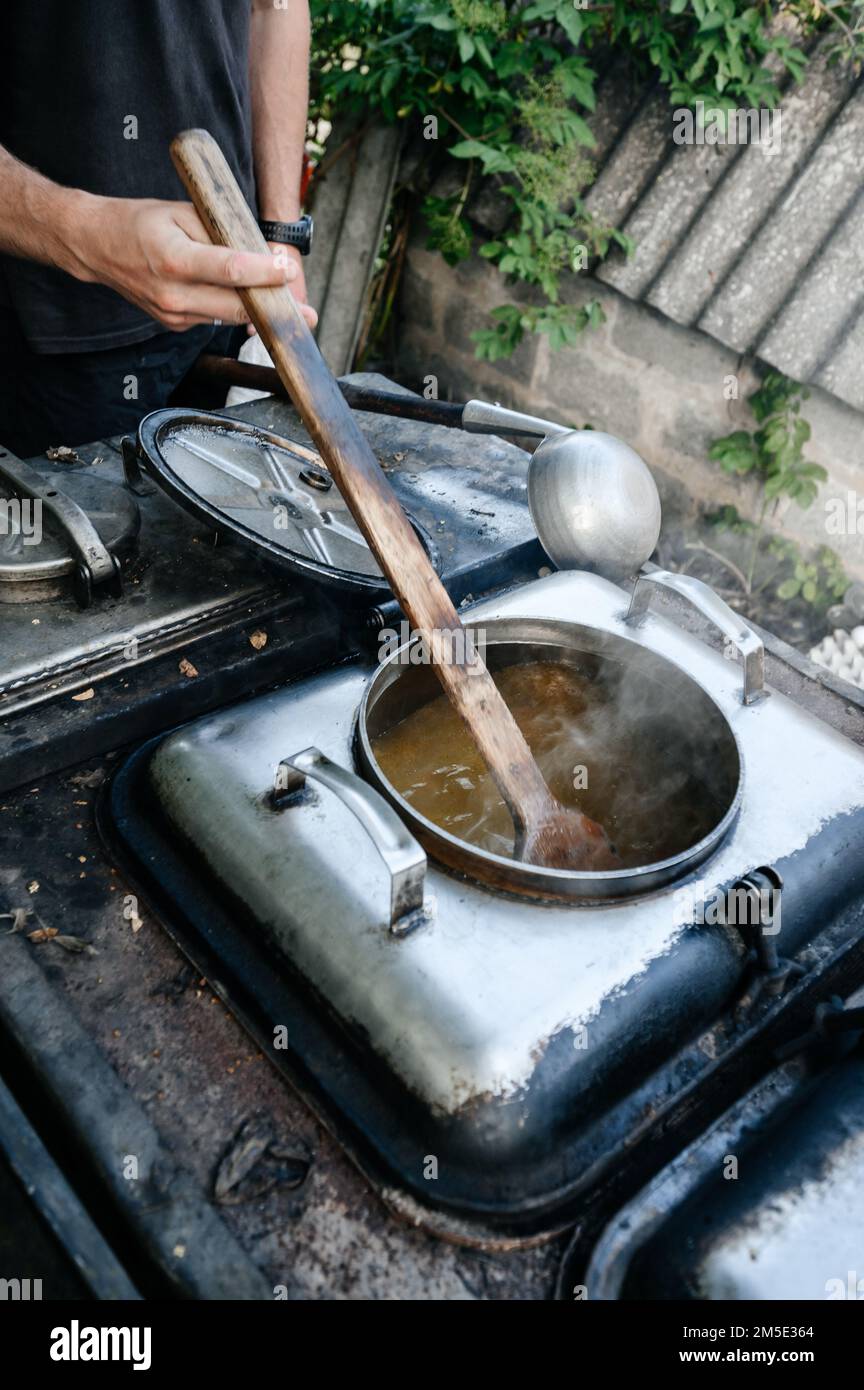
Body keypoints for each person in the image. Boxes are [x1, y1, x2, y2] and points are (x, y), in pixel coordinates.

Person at [0, 0, 316, 458]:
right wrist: (81, 233)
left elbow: (275, 9)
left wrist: (281, 234)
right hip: (54, 326)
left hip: (233, 299)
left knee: (208, 523)